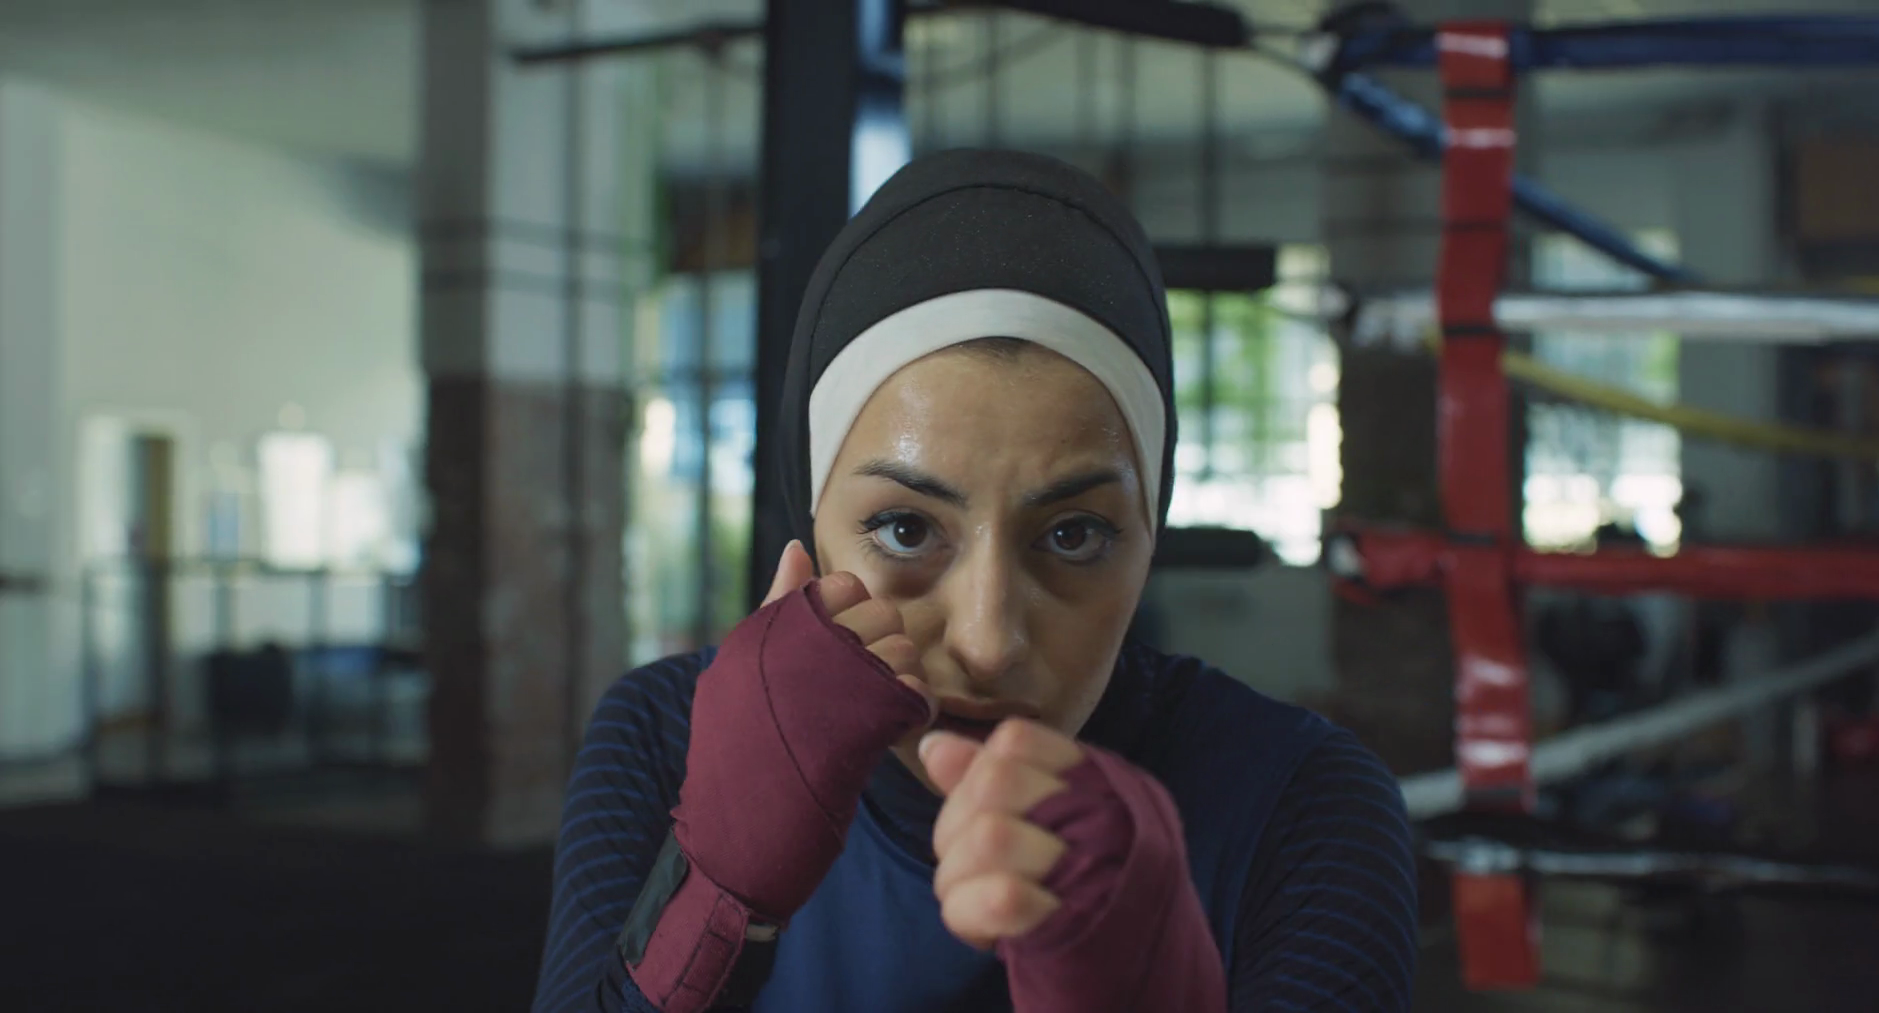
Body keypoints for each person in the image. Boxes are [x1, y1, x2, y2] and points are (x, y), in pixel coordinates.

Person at [531, 149, 1416, 1012]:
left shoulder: (1304, 807)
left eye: (1073, 534)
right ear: (812, 526)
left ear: (1152, 534)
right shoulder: (660, 738)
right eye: (906, 528)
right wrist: (713, 904)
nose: (988, 642)